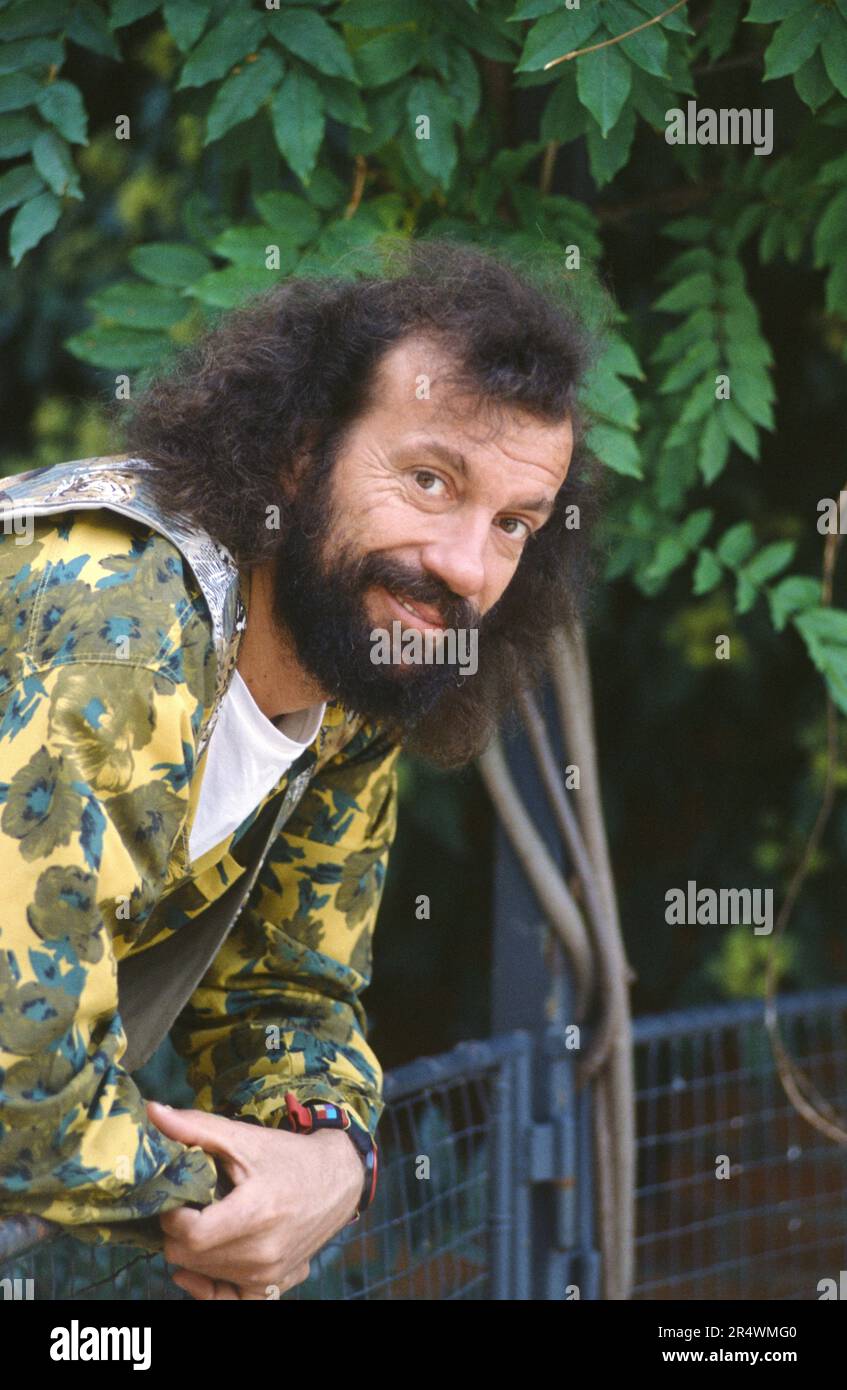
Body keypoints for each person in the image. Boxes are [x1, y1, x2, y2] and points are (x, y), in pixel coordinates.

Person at [0, 237, 598, 1299]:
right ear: (297, 451)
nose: (466, 565)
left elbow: (289, 989)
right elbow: (17, 1077)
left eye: (513, 524)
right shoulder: (126, 619)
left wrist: (329, 1153)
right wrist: (243, 1201)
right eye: (428, 479)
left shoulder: (343, 687)